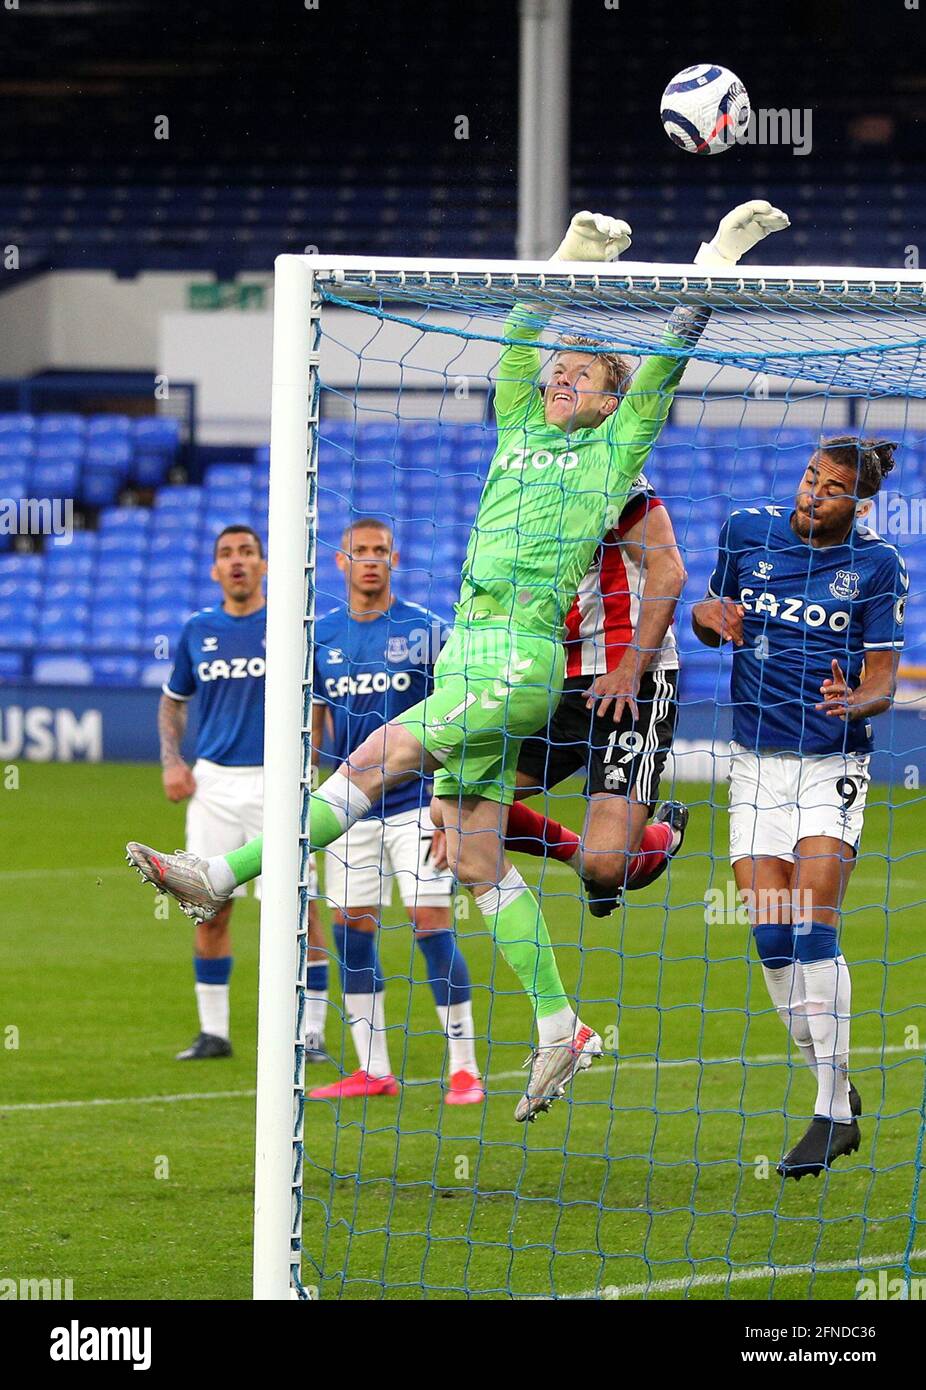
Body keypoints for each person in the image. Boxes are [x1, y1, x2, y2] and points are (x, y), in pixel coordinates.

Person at [127, 201, 789, 1123]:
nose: (562, 377)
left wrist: (716, 255)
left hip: (521, 656)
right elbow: (517, 342)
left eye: (585, 374)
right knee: (474, 853)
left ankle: (222, 874)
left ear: (610, 399)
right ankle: (562, 1028)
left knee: (372, 762)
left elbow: (669, 360)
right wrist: (568, 258)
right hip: (465, 649)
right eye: (561, 368)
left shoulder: (613, 454)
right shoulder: (515, 425)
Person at [691, 438, 907, 1179]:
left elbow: (885, 679)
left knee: (815, 925)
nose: (812, 494)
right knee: (773, 940)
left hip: (832, 764)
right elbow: (710, 612)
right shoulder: (746, 529)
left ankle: (827, 1112)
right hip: (754, 764)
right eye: (811, 479)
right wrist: (705, 618)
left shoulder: (877, 565)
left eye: (832, 488)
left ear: (860, 503)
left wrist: (859, 700)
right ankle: (839, 1088)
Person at [430, 470, 689, 913]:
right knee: (451, 806)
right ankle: (579, 855)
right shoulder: (524, 488)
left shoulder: (615, 477)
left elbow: (671, 571)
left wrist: (630, 667)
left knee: (608, 864)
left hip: (626, 684)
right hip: (547, 680)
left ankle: (661, 836)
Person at [308, 516, 483, 1105]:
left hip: (416, 808)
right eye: (360, 551)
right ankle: (373, 1069)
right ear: (341, 561)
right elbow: (317, 715)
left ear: (395, 558)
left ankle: (464, 1067)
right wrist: (313, 774)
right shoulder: (321, 635)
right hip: (349, 810)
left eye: (381, 550)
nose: (371, 560)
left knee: (431, 925)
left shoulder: (429, 632)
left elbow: (459, 716)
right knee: (352, 930)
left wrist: (450, 803)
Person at [156, 523, 326, 1060]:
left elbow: (320, 701)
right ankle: (214, 1033)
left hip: (280, 784)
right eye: (227, 554)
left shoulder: (291, 624)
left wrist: (310, 766)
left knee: (302, 908)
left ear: (264, 565)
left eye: (247, 552)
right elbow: (173, 700)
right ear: (214, 569)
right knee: (209, 904)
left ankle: (313, 1033)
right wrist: (171, 762)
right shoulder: (196, 630)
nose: (237, 561)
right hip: (215, 785)